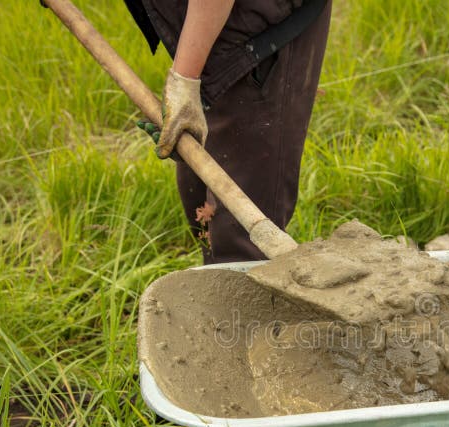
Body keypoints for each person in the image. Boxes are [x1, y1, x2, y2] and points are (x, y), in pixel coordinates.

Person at [124, 0, 332, 263]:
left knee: (240, 238)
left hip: (261, 37)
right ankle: (220, 276)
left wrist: (185, 78)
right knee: (202, 210)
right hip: (215, 34)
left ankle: (248, 291)